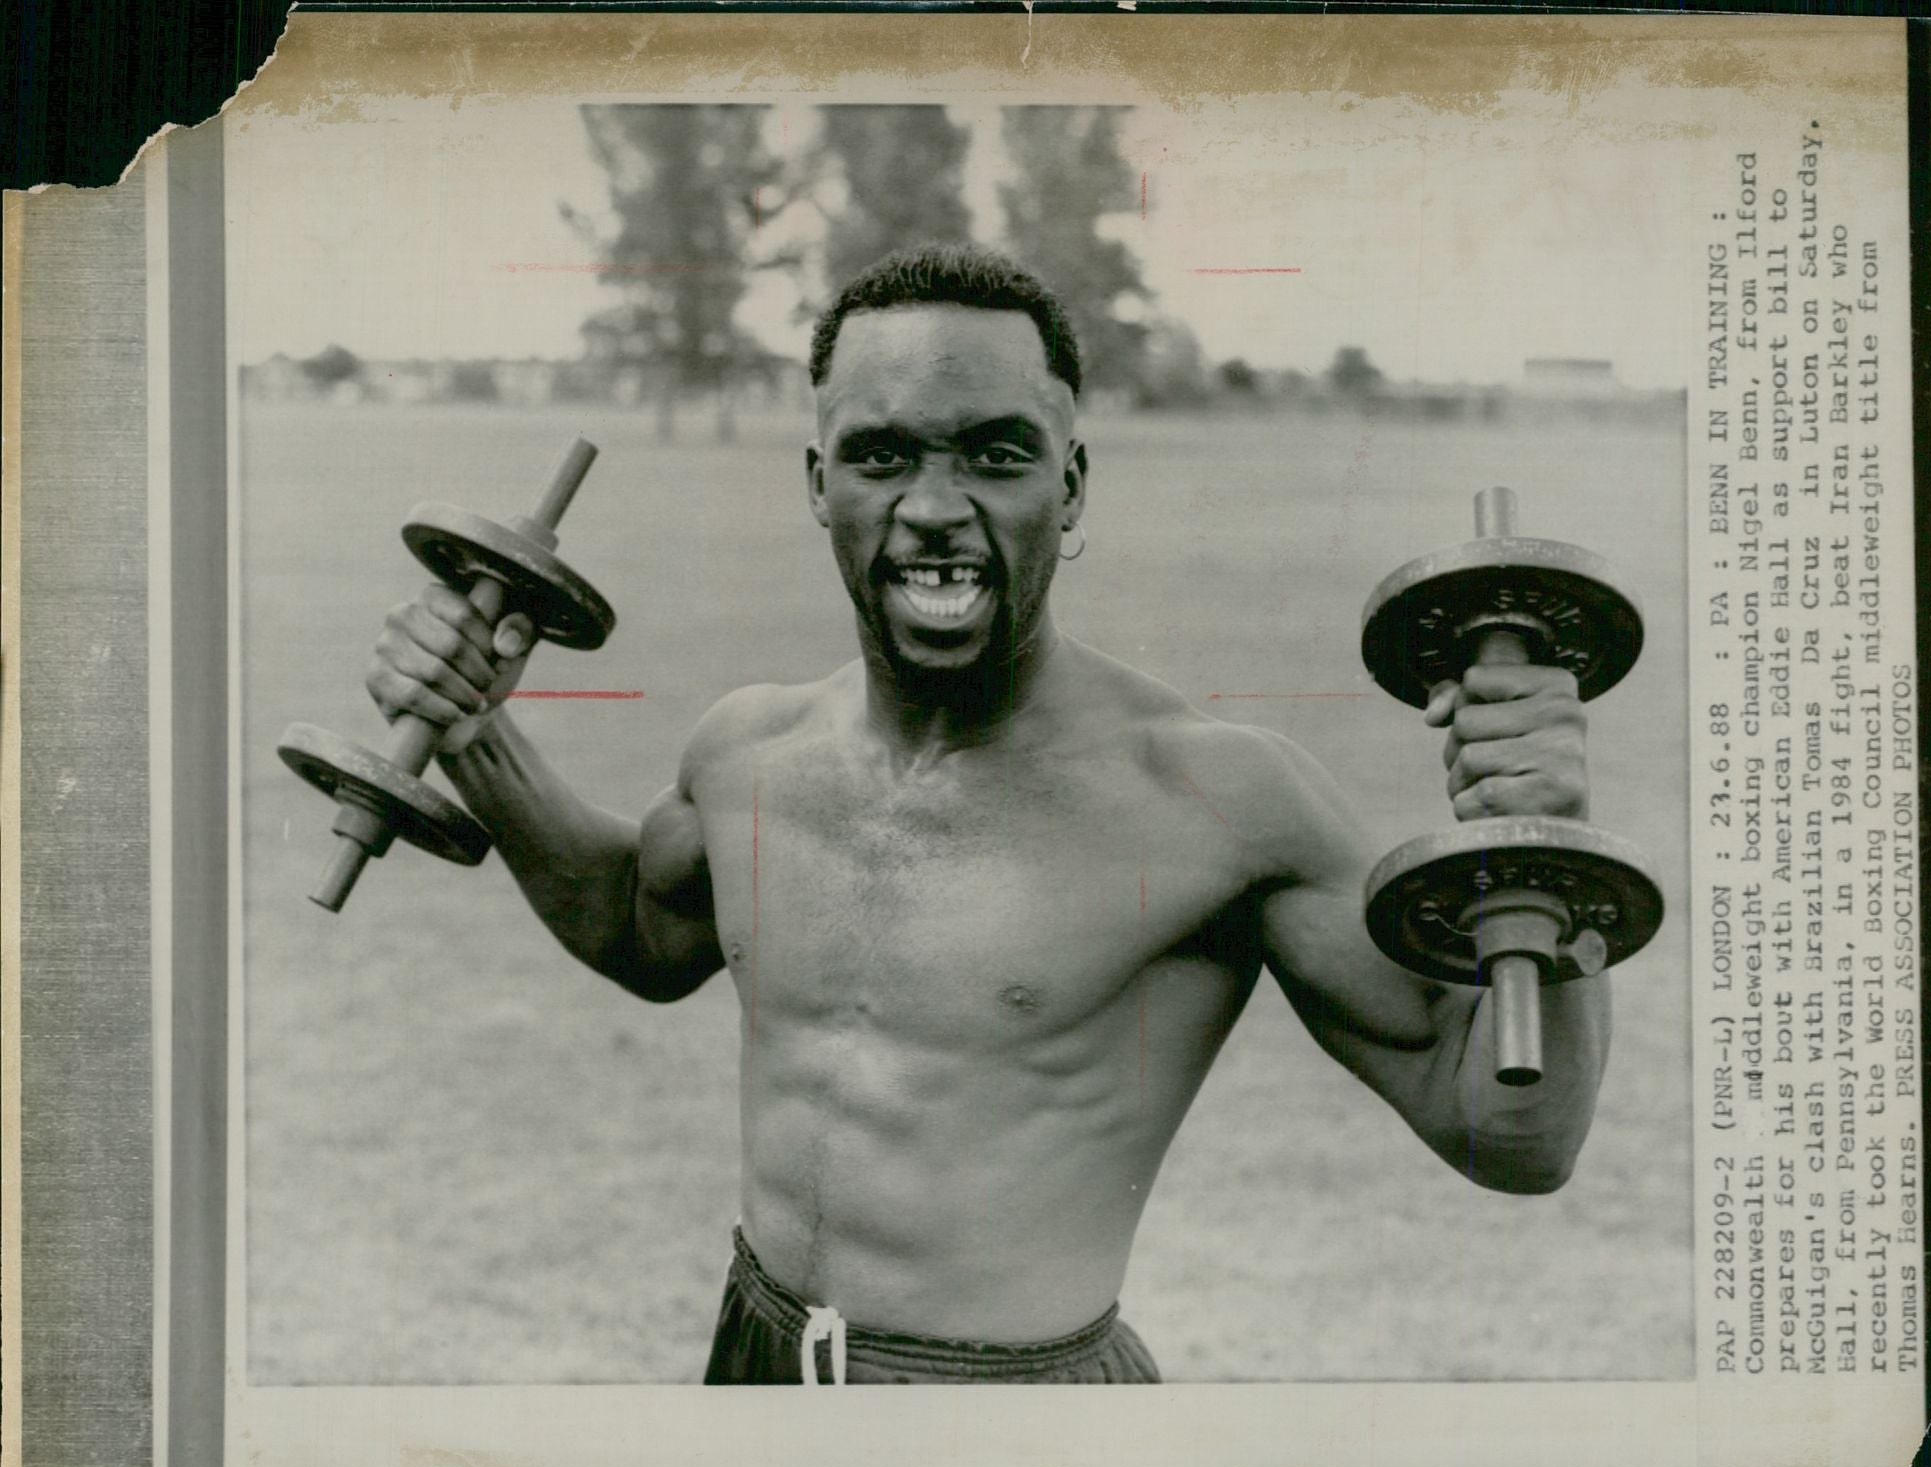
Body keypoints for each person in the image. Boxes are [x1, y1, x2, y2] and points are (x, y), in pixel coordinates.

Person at [366, 244, 1608, 1385]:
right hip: (753, 1358)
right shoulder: (748, 751)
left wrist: (1544, 856)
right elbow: (640, 932)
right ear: (819, 482)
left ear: (1067, 489)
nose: (933, 506)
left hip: (1017, 1411)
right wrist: (478, 737)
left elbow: (1509, 1135)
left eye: (993, 453)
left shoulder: (1217, 799)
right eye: (882, 454)